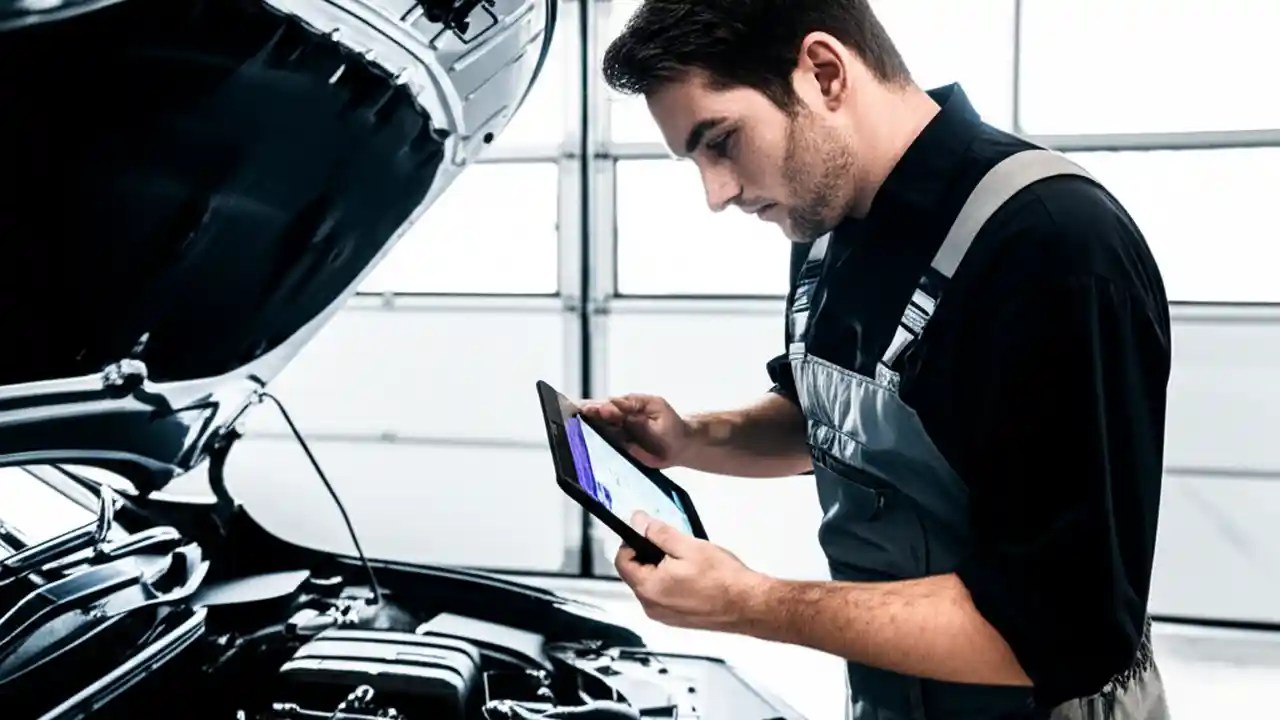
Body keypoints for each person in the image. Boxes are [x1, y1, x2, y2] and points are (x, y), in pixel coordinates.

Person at [580, 1, 1173, 718]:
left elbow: (1060, 628)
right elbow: (834, 420)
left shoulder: (1052, 246)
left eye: (723, 142)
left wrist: (748, 602)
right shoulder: (827, 221)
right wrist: (690, 439)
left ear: (825, 73)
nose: (717, 193)